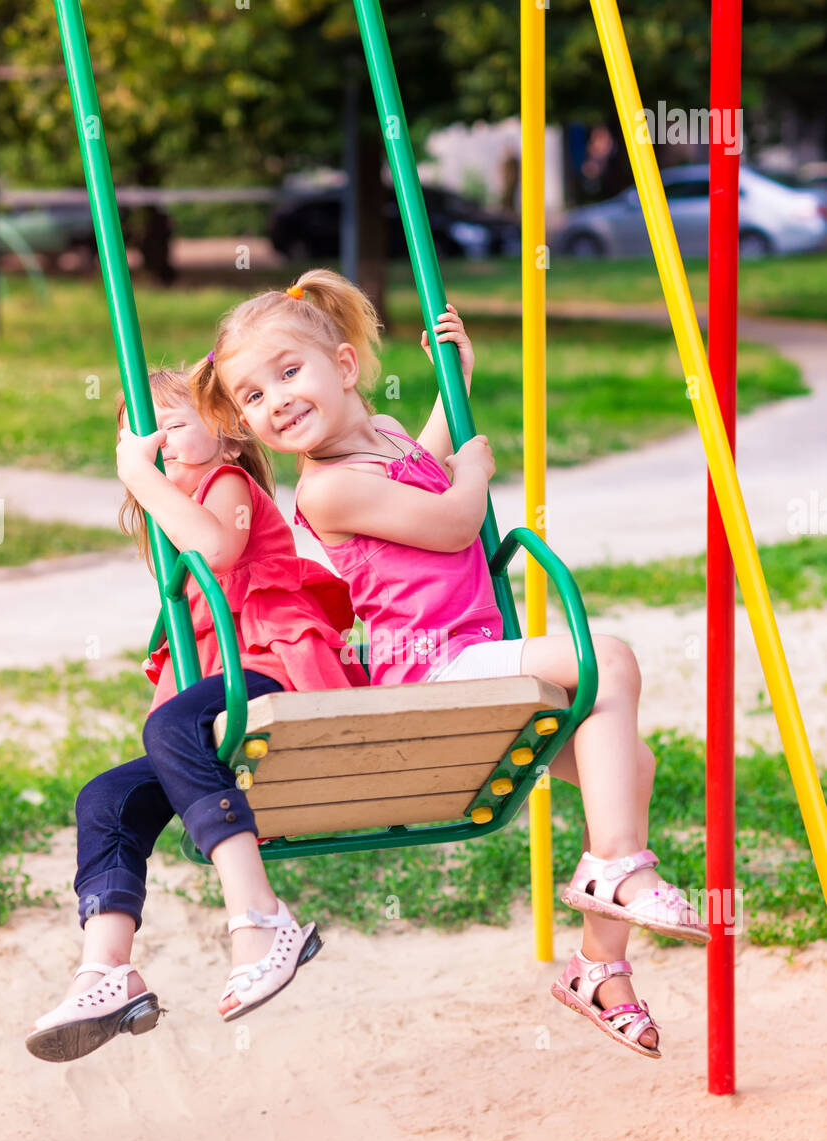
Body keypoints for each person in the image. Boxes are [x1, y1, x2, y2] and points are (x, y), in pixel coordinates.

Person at [198, 270, 710, 1062]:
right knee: (605, 657)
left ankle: (599, 965)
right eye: (253, 396)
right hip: (431, 668)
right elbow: (449, 518)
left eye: (288, 373)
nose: (275, 401)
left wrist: (455, 389)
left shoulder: (388, 436)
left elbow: (421, 468)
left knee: (630, 762)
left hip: (473, 654)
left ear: (343, 366)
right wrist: (475, 469)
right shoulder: (328, 490)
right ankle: (616, 867)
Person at [26, 367, 367, 1063]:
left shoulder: (228, 486)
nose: (156, 442)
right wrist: (152, 484)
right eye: (137, 433)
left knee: (170, 727)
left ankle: (261, 916)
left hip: (275, 667)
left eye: (174, 424)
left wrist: (143, 478)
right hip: (222, 696)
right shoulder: (174, 503)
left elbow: (215, 549)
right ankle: (108, 968)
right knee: (107, 797)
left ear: (232, 434)